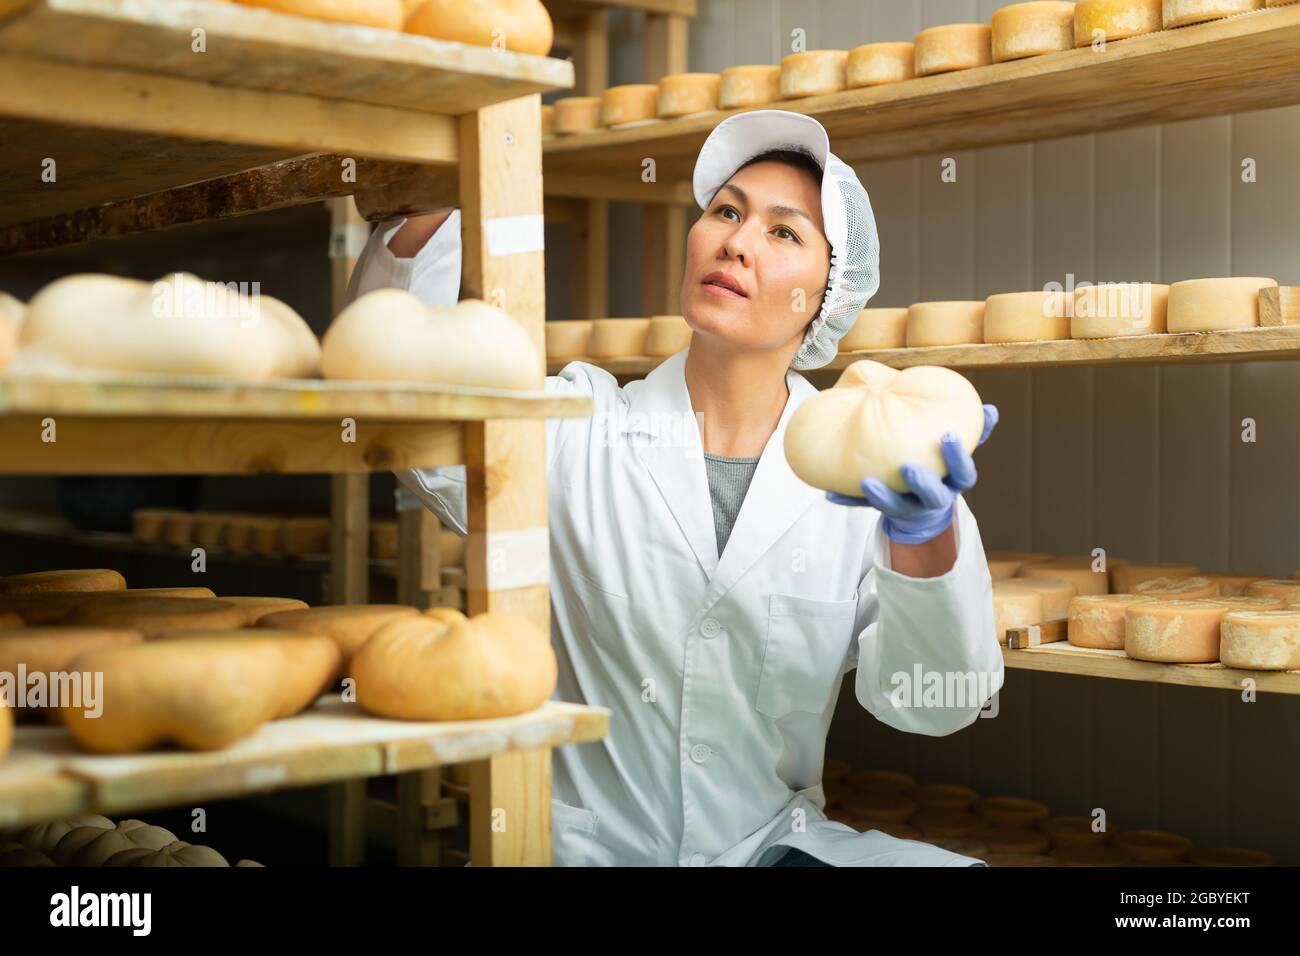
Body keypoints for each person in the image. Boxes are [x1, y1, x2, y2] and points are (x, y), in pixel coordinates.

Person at [346, 109, 1004, 867]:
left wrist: (925, 545)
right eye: (726, 211)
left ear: (827, 295)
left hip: (764, 849)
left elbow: (937, 705)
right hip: (590, 852)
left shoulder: (877, 470)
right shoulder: (578, 423)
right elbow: (402, 400)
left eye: (783, 232)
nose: (735, 241)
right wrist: (428, 205)